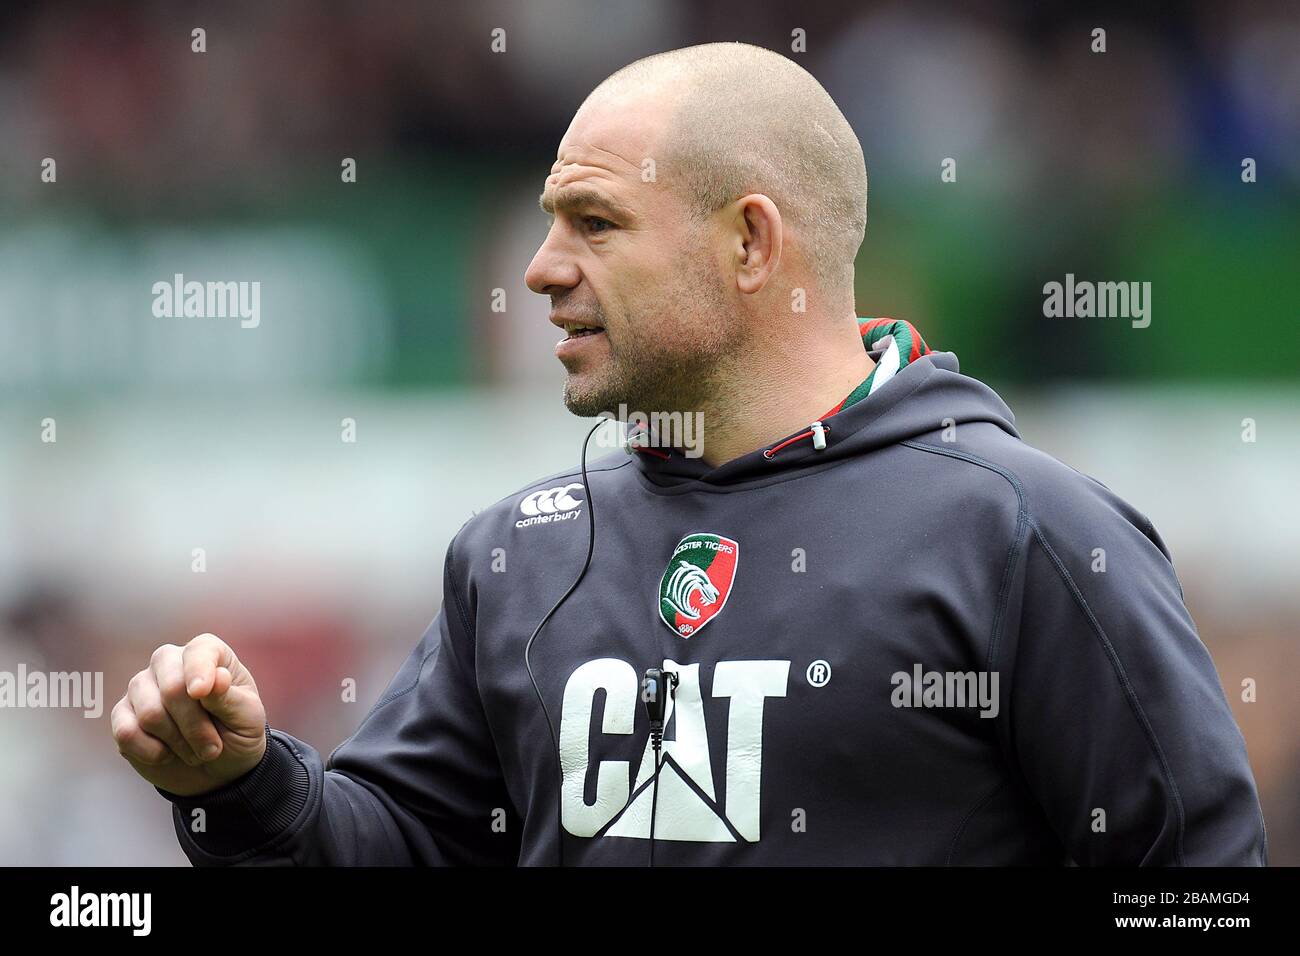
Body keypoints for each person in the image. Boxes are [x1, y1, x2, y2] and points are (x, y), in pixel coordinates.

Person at [111, 42, 1266, 866]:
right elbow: (403, 842)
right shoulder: (517, 551)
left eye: (595, 222)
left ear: (751, 243)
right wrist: (245, 788)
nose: (540, 267)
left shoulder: (1025, 533)